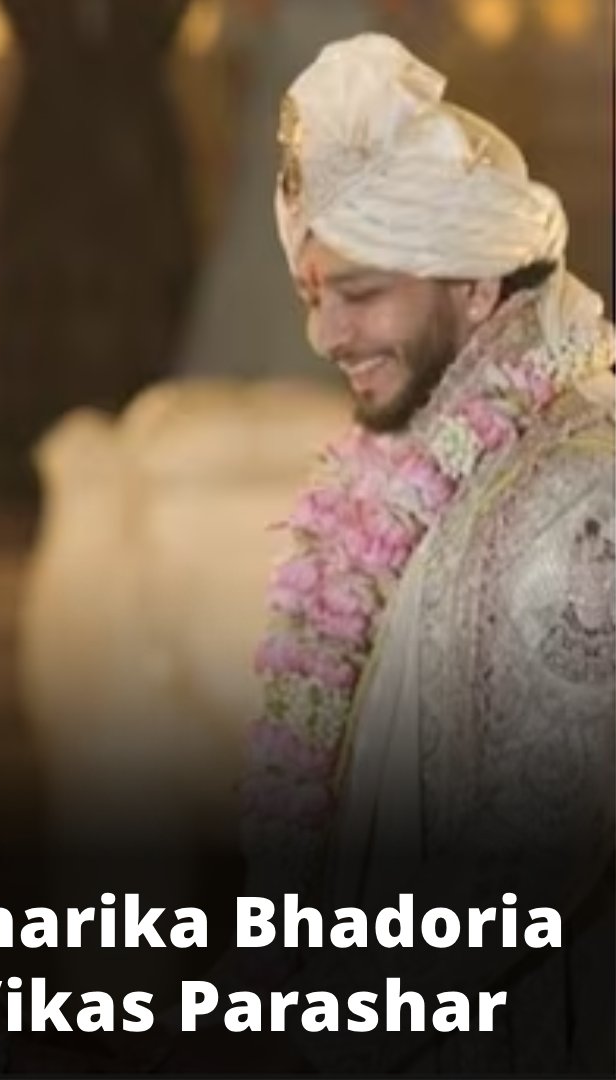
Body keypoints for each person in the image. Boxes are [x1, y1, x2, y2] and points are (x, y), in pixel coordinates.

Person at [228, 34, 614, 1075]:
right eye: (312, 296)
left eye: (360, 294)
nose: (326, 336)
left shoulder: (581, 493)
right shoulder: (420, 463)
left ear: (477, 286)